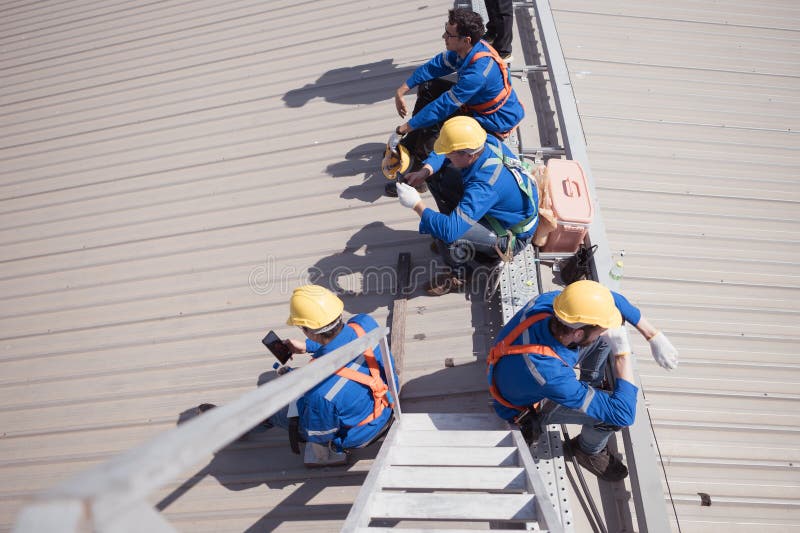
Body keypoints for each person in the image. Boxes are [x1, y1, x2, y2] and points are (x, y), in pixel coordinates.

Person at [487, 280, 679, 481]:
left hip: (524, 369)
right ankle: (586, 450)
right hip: (529, 405)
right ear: (578, 333)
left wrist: (653, 335)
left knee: (605, 336)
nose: (602, 330)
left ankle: (591, 389)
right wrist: (622, 353)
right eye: (597, 329)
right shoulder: (550, 374)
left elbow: (609, 298)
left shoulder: (550, 304)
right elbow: (624, 414)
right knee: (609, 416)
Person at [383, 8, 524, 196]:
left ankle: (420, 175)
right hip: (475, 106)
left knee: (440, 123)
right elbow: (435, 66)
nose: (444, 36)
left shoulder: (477, 73)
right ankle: (411, 144)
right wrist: (402, 90)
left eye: (449, 34)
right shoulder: (467, 50)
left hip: (492, 121)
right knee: (429, 87)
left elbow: (442, 107)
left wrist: (404, 127)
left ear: (465, 40)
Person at [395, 116, 538, 295]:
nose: (445, 154)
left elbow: (450, 230)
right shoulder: (483, 140)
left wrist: (416, 204)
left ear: (468, 155)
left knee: (446, 233)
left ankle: (460, 273)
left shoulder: (486, 185)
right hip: (498, 208)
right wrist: (426, 170)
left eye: (450, 153)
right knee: (437, 176)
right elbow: (441, 153)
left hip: (510, 235)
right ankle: (461, 237)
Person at [265, 285, 398, 466]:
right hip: (388, 403)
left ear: (307, 330)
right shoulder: (364, 323)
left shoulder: (318, 393)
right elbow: (344, 342)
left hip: (362, 434)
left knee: (270, 410)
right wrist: (308, 346)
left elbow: (321, 433)